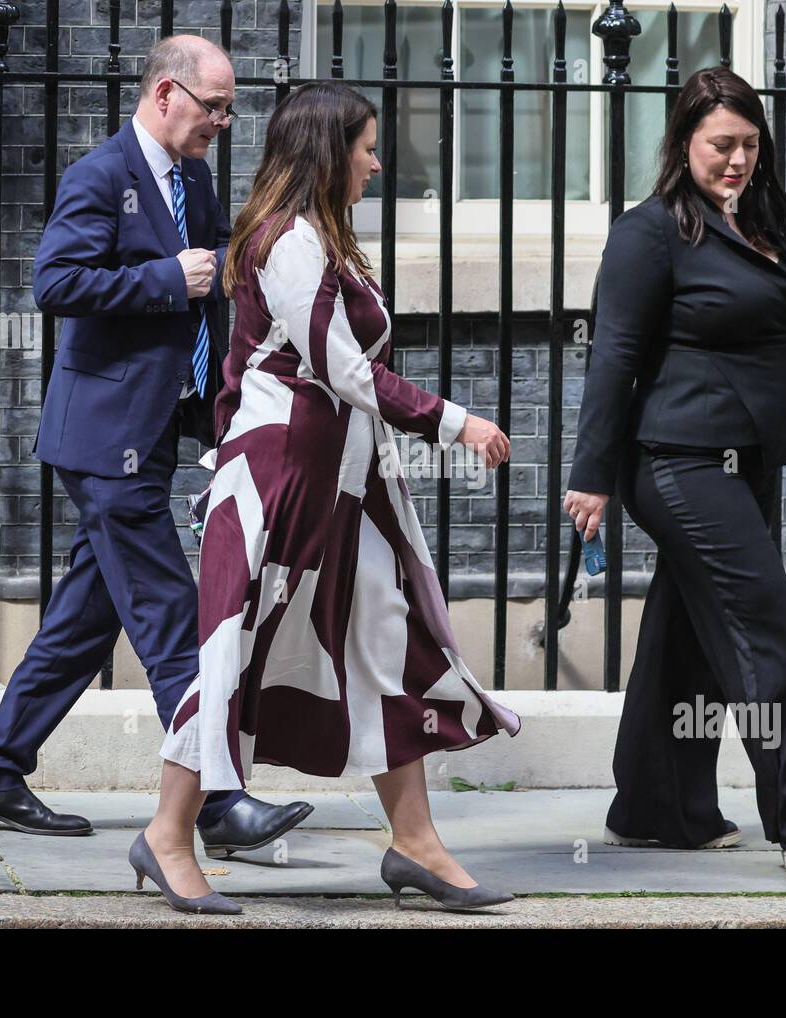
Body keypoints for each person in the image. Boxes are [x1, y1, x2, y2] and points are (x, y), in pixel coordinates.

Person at [127, 82, 522, 915]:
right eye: (367, 147)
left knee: (387, 641)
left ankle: (415, 842)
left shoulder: (318, 238)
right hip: (281, 482)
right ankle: (167, 835)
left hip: (339, 482)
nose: (377, 163)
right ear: (327, 151)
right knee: (232, 652)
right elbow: (340, 367)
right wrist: (457, 423)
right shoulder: (288, 241)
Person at [0, 35, 313, 859]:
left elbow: (215, 280)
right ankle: (216, 800)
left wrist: (221, 404)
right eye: (212, 106)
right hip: (102, 438)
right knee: (166, 610)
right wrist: (165, 279)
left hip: (157, 429)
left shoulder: (193, 176)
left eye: (229, 108)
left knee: (85, 620)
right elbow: (56, 283)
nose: (223, 121)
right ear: (164, 94)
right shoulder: (99, 175)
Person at [564, 67, 786, 872]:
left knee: (687, 638)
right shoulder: (649, 232)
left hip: (749, 459)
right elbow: (615, 356)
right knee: (764, 624)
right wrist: (590, 475)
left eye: (749, 145)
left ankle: (657, 806)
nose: (737, 160)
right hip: (677, 463)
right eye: (721, 145)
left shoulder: (758, 223)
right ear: (685, 142)